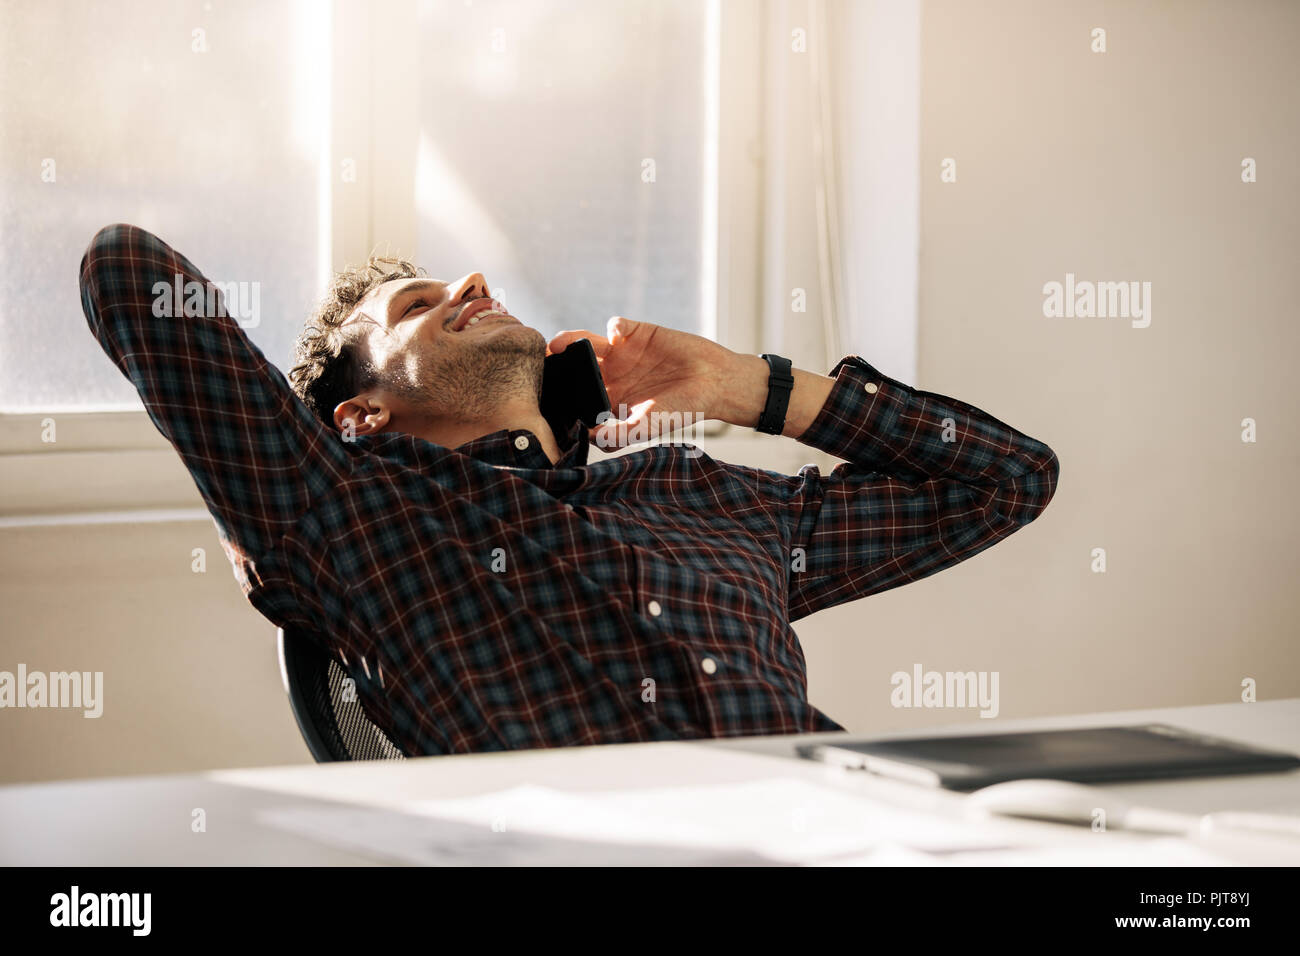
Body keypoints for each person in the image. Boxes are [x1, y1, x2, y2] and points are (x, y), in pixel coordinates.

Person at [80, 223, 1059, 756]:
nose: (468, 280)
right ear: (362, 413)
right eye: (418, 307)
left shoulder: (690, 488)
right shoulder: (347, 509)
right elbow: (125, 270)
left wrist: (740, 386)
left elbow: (1004, 479)